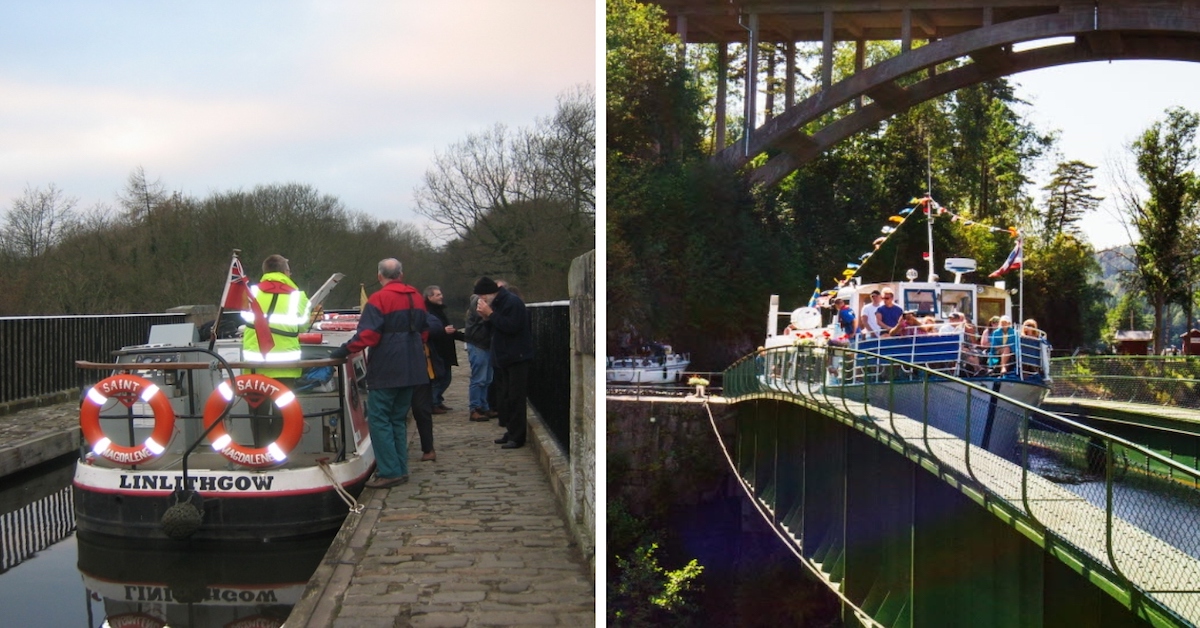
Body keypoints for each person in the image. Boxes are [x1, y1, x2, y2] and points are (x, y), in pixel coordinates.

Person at [330, 258, 429, 489]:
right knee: (397, 418)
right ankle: (400, 468)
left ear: (379, 276)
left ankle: (389, 471)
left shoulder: (378, 299)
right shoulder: (416, 297)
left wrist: (344, 349)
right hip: (413, 365)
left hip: (387, 366)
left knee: (379, 419)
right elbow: (425, 330)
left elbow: (368, 336)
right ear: (401, 275)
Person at [241, 254, 311, 447]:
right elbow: (303, 327)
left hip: (255, 365)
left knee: (257, 413)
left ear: (265, 272)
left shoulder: (250, 292)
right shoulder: (299, 296)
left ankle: (260, 455)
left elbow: (244, 319)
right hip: (285, 365)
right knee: (283, 412)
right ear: (284, 272)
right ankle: (277, 452)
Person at [473, 277, 534, 449]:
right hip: (503, 356)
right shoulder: (498, 303)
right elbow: (493, 330)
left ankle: (518, 436)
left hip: (517, 356)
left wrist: (490, 314)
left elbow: (511, 326)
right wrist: (486, 318)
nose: (482, 301)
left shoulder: (512, 303)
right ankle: (511, 431)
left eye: (483, 297)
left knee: (516, 397)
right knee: (505, 398)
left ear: (490, 293)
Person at [423, 285, 462, 414]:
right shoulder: (427, 312)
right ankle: (433, 403)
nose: (441, 297)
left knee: (446, 378)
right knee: (439, 378)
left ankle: (437, 400)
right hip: (436, 350)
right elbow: (428, 331)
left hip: (445, 349)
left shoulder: (439, 311)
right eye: (438, 295)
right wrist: (443, 331)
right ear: (430, 297)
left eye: (440, 294)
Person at [463, 290, 496, 422]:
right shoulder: (479, 302)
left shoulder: (479, 301)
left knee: (487, 379)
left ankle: (483, 406)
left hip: (484, 344)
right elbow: (485, 317)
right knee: (479, 379)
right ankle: (475, 408)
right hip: (479, 344)